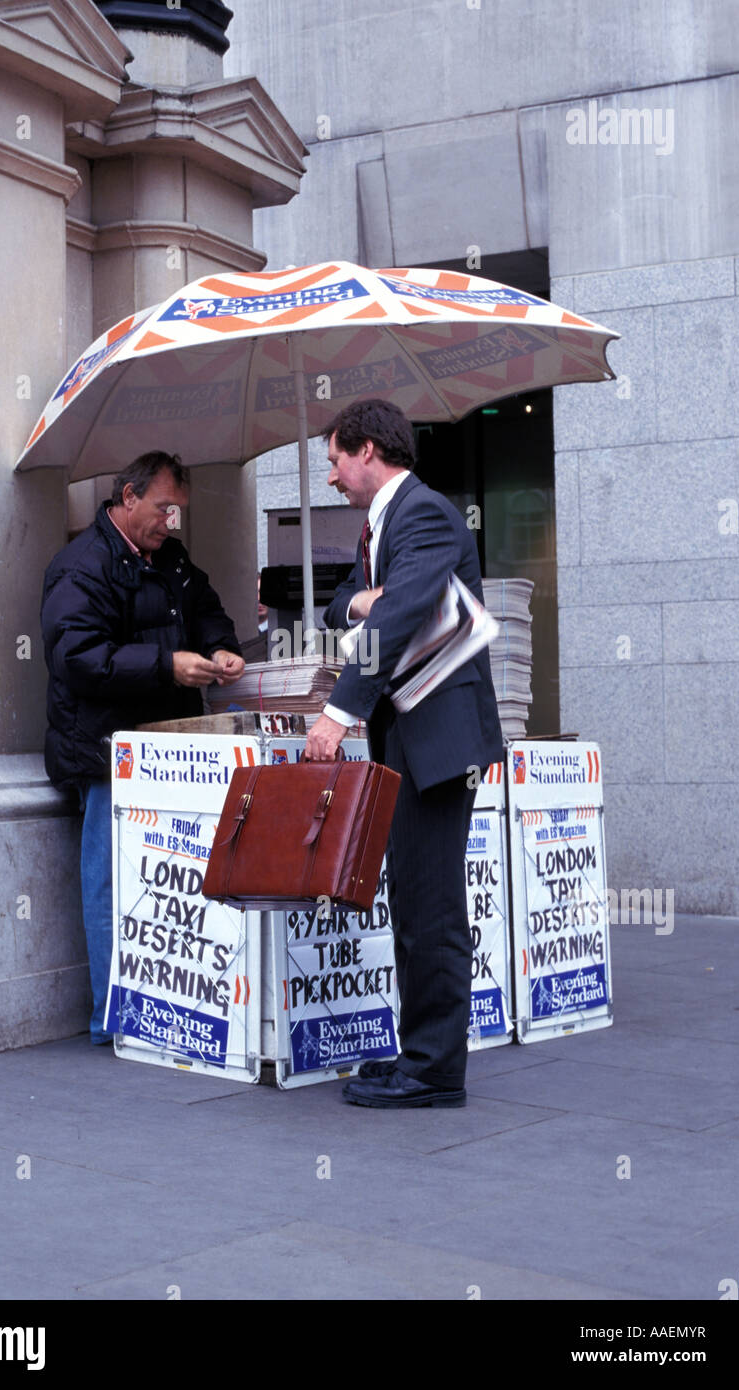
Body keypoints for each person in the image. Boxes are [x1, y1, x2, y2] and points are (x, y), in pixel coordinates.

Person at [304, 400, 504, 1108]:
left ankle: (435, 1071)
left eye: (333, 459)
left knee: (433, 909)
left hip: (436, 745)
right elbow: (347, 606)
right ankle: (420, 1051)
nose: (329, 475)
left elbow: (399, 614)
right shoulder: (382, 525)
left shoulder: (422, 514)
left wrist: (336, 714)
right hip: (411, 742)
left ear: (366, 451)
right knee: (415, 905)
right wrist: (362, 603)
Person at [41, 451, 244, 1044]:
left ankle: (162, 1005)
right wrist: (166, 665)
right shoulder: (80, 565)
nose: (170, 521)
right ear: (127, 497)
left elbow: (206, 608)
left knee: (163, 881)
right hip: (105, 751)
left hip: (167, 750)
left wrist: (220, 645)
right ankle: (111, 1016)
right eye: (162, 508)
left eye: (177, 510)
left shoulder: (172, 559)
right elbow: (76, 658)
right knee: (111, 880)